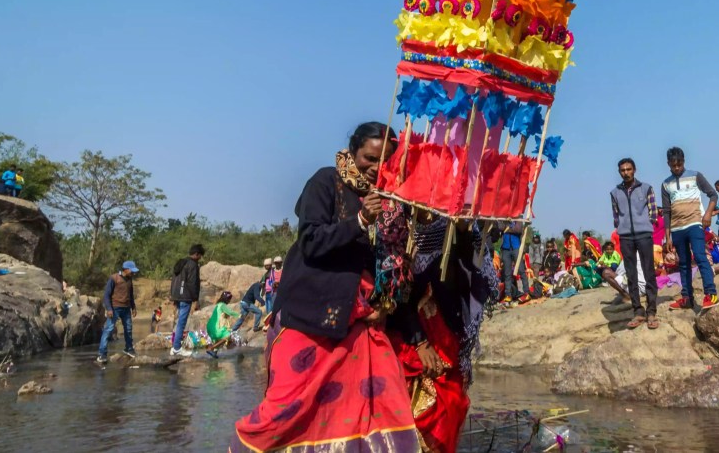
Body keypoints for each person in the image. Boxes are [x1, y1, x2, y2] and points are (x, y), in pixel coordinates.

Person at [230, 122, 419, 452]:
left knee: (376, 406)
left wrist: (385, 304)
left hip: (357, 321)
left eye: (385, 161)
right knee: (284, 413)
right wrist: (359, 222)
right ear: (353, 152)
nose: (376, 168)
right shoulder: (325, 181)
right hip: (309, 317)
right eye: (369, 158)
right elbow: (311, 241)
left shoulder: (391, 199)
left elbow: (392, 262)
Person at [388, 211, 498, 453]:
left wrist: (462, 230)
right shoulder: (397, 222)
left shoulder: (454, 221)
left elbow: (471, 273)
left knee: (451, 404)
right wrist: (419, 342)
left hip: (447, 330)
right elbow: (393, 291)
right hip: (408, 333)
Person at [661, 146, 719, 311]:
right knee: (684, 264)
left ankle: (711, 294)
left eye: (679, 164)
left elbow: (713, 194)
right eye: (673, 165)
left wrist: (707, 214)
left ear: (683, 161)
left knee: (701, 257)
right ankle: (687, 297)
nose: (677, 168)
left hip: (694, 224)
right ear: (668, 164)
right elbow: (666, 211)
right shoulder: (666, 184)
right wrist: (668, 236)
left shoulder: (695, 176)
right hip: (677, 228)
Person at [611, 157, 659, 330]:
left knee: (649, 273)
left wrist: (648, 224)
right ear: (619, 172)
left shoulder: (646, 188)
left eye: (628, 169)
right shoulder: (615, 192)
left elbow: (653, 211)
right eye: (623, 170)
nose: (626, 172)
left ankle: (651, 310)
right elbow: (616, 215)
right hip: (626, 237)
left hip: (644, 234)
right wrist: (621, 228)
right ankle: (638, 311)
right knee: (631, 275)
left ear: (634, 170)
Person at [96, 260, 139, 364]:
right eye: (132, 271)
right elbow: (106, 295)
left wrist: (133, 307)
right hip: (115, 308)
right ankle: (102, 354)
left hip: (126, 308)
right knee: (108, 330)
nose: (133, 273)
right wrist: (109, 309)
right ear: (126, 269)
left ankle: (129, 348)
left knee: (128, 329)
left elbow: (131, 295)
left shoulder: (130, 279)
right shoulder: (114, 278)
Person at [169, 243, 205, 357]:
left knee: (179, 321)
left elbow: (174, 280)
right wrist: (196, 299)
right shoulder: (193, 265)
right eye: (200, 256)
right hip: (186, 296)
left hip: (177, 295)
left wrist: (173, 296)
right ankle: (177, 348)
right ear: (196, 254)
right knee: (181, 322)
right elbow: (193, 283)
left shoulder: (181, 262)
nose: (200, 258)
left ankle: (174, 347)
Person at [499, 221, 530, 304]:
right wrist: (508, 227)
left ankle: (526, 292)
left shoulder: (518, 217)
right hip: (505, 248)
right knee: (507, 273)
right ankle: (508, 295)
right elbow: (500, 227)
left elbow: (518, 229)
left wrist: (507, 228)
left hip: (516, 247)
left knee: (521, 270)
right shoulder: (503, 217)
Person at [204, 291, 236, 357]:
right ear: (226, 299)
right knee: (227, 336)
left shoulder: (218, 305)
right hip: (215, 328)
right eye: (229, 299)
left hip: (210, 326)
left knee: (218, 340)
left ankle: (214, 353)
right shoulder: (222, 305)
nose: (229, 301)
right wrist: (240, 315)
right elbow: (231, 312)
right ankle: (211, 348)